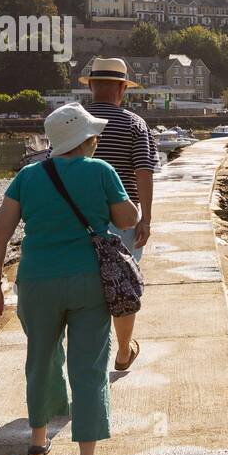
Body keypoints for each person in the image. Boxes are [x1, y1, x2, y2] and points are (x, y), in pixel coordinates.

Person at [0, 102, 139, 455]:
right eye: (94, 133)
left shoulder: (27, 176)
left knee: (40, 358)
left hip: (36, 281)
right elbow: (126, 220)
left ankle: (37, 444)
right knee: (88, 367)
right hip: (88, 280)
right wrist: (133, 206)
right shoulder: (101, 171)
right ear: (86, 139)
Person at [77, 57, 158, 372]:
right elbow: (144, 173)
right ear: (123, 88)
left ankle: (88, 351)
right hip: (122, 217)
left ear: (92, 86)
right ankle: (123, 351)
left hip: (78, 217)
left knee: (85, 285)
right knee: (122, 282)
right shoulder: (134, 123)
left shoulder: (74, 122)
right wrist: (146, 218)